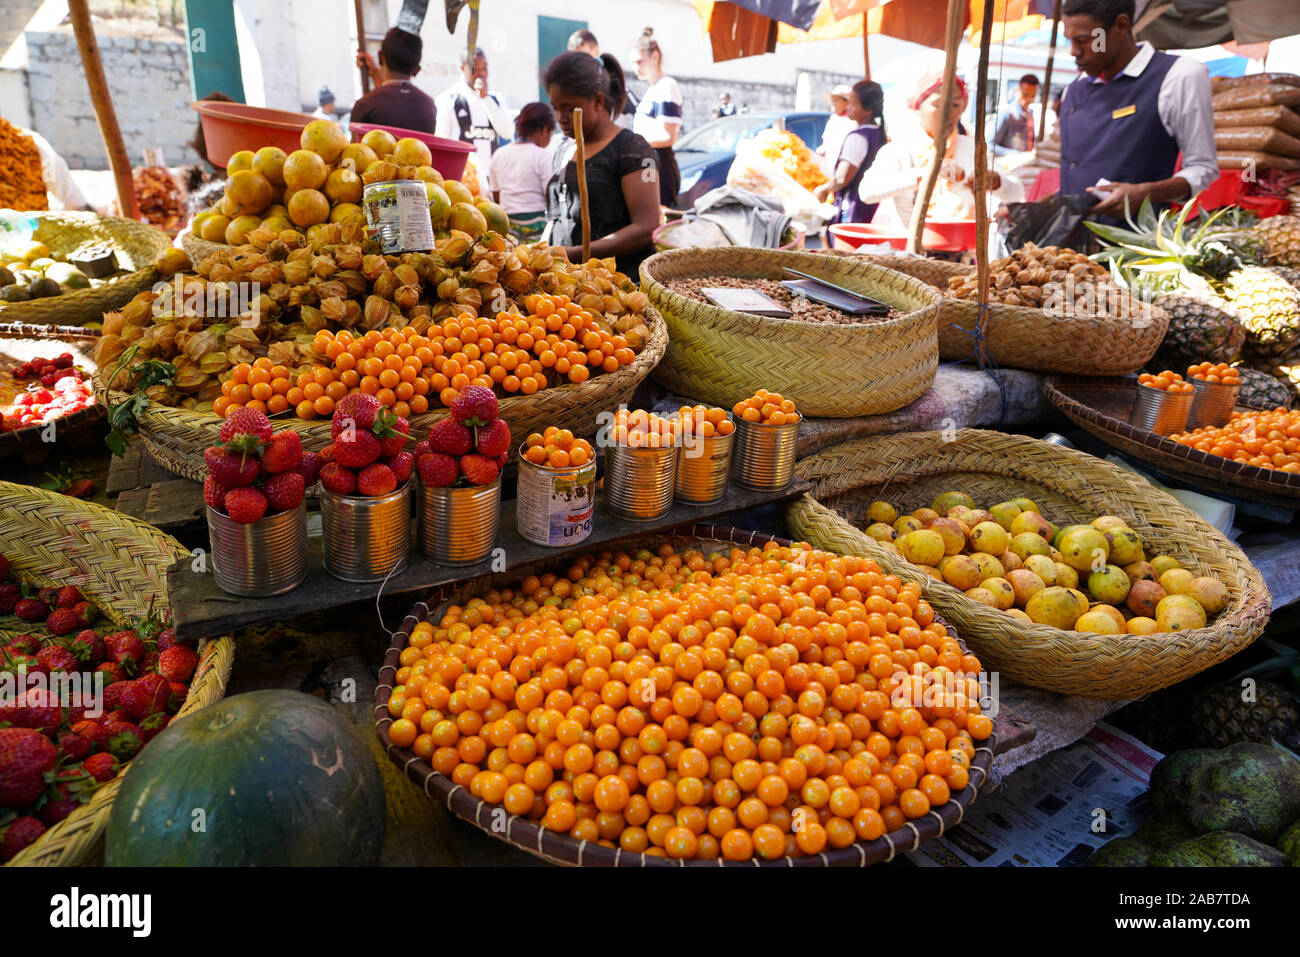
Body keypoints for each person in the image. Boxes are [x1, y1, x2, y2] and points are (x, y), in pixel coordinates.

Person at [1058, 0, 1217, 218]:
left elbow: (1202, 167)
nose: (1074, 52)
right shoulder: (1073, 91)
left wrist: (1146, 193)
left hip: (1138, 245)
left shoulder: (1179, 76)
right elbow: (1074, 176)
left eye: (1084, 40)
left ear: (1121, 25)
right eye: (1070, 41)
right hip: (1070, 246)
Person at [857, 72, 1023, 238]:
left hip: (962, 252)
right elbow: (867, 191)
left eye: (956, 105)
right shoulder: (900, 149)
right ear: (918, 107)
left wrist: (997, 182)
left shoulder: (973, 148)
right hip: (906, 252)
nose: (948, 113)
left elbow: (1017, 193)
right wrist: (929, 172)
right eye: (938, 104)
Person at [543, 51, 659, 277]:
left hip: (619, 287)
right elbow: (557, 217)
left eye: (568, 107)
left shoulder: (635, 150)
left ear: (597, 101)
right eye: (555, 107)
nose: (560, 117)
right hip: (567, 289)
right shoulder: (565, 149)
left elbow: (646, 227)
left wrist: (575, 254)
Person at [436, 47, 513, 197]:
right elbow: (442, 139)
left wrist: (485, 98)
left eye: (484, 66)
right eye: (475, 67)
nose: (481, 72)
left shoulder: (495, 99)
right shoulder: (448, 98)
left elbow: (507, 132)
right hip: (464, 181)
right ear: (463, 68)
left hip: (494, 181)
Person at [813, 81, 885, 224]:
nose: (849, 108)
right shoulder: (878, 132)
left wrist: (823, 190)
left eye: (853, 104)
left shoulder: (858, 137)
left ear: (868, 109)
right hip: (870, 208)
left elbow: (842, 178)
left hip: (853, 208)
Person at [630, 28, 682, 208]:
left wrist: (633, 141)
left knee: (658, 218)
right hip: (647, 160)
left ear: (655, 56)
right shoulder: (651, 90)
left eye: (639, 61)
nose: (636, 67)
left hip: (658, 162)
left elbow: (668, 136)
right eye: (633, 63)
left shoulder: (667, 86)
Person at [490, 103, 555, 242]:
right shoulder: (543, 156)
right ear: (544, 130)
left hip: (507, 226)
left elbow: (496, 195)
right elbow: (550, 195)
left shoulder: (499, 154)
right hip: (537, 226)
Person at [353, 28, 437, 134]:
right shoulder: (429, 106)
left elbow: (355, 149)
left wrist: (376, 74)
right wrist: (375, 74)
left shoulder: (365, 105)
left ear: (380, 57)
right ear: (417, 70)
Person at [993, 74, 1039, 156]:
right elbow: (990, 145)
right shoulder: (1006, 114)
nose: (1030, 99)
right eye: (1026, 95)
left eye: (1033, 95)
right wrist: (1016, 154)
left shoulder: (1030, 113)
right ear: (1017, 91)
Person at [817, 84, 856, 169]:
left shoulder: (854, 122)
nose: (834, 104)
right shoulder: (833, 119)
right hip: (828, 165)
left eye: (837, 101)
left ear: (847, 103)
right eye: (833, 100)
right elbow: (825, 142)